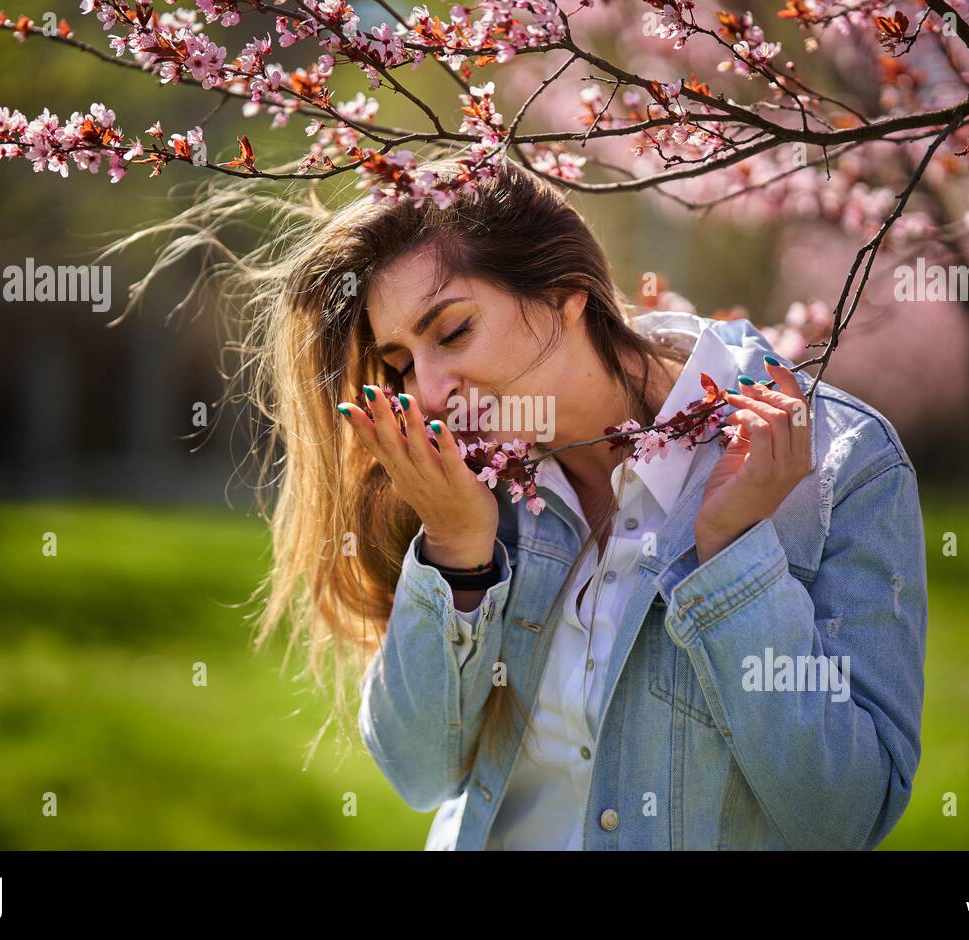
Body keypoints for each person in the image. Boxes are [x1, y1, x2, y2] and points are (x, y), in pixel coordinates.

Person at [250, 156, 927, 850]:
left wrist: (733, 559)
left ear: (566, 291)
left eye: (452, 333)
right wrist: (457, 553)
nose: (427, 393)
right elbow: (420, 772)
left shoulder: (840, 463)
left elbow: (844, 816)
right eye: (400, 364)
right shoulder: (464, 479)